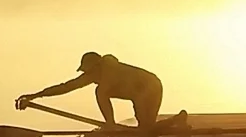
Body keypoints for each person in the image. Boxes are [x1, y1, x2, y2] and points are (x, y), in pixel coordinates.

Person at [17, 52, 166, 128]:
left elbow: (107, 92)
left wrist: (110, 125)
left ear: (97, 66)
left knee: (146, 128)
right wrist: (35, 96)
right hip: (137, 92)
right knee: (146, 127)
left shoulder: (110, 70)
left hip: (152, 87)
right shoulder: (94, 74)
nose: (88, 76)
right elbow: (66, 87)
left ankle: (112, 125)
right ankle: (170, 125)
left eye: (89, 71)